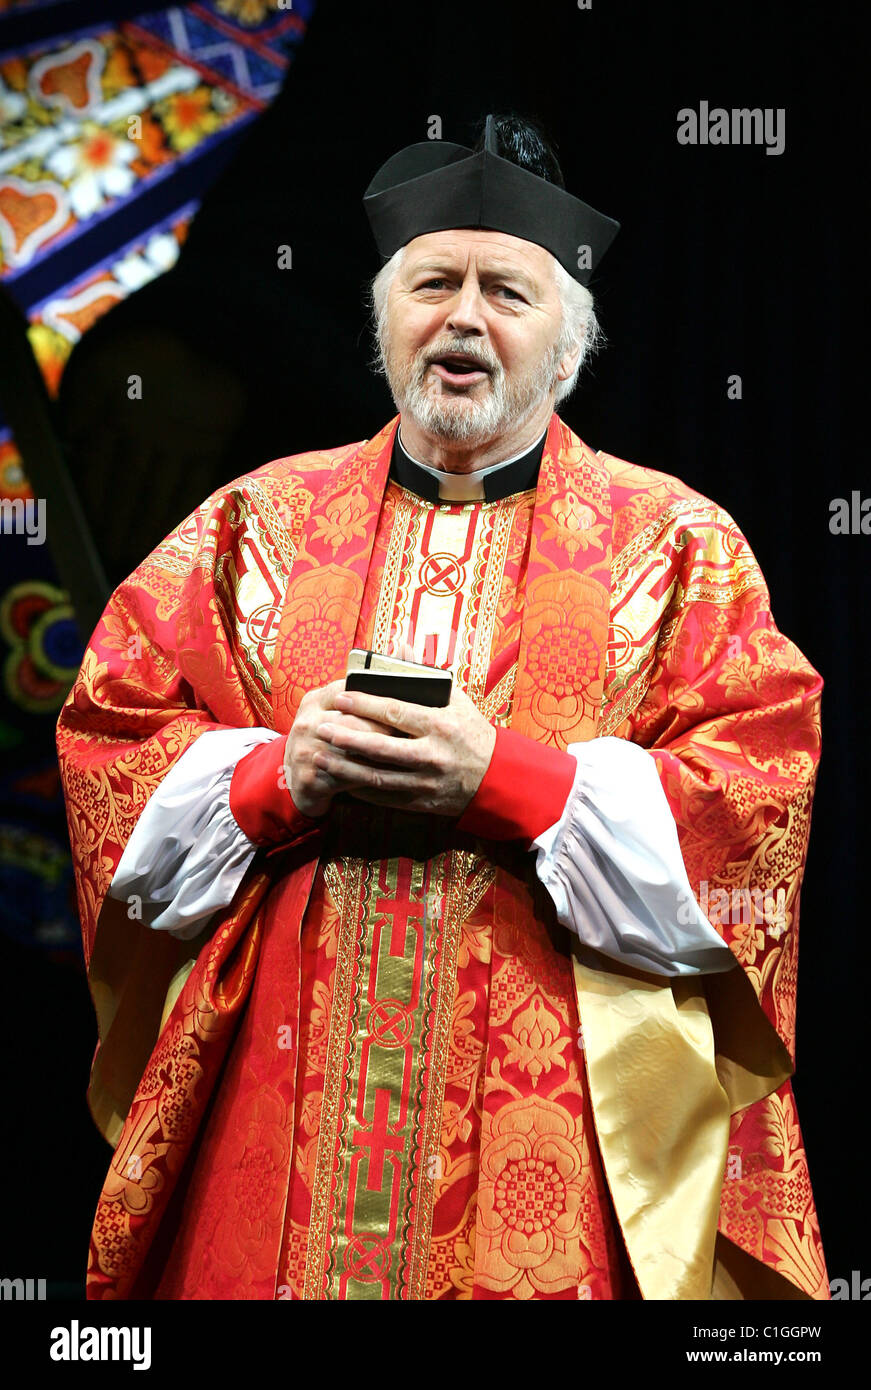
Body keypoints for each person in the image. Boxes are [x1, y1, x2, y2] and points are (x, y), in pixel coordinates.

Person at [57, 114, 828, 1301]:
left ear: (566, 346)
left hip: (552, 1150)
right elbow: (111, 735)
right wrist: (271, 783)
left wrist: (511, 781)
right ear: (384, 320)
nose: (463, 315)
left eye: (507, 292)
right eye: (432, 283)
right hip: (271, 1138)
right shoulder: (248, 524)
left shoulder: (677, 547)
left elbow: (756, 812)